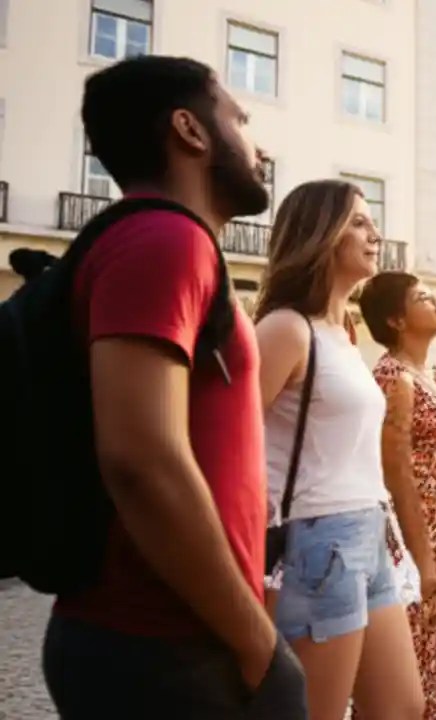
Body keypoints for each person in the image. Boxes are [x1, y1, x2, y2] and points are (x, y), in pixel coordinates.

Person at [41, 56, 306, 718]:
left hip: (169, 641)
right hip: (167, 647)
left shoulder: (156, 240)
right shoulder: (166, 241)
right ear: (190, 130)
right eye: (240, 120)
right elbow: (141, 460)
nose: (259, 145)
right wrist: (257, 644)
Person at [255, 180, 424, 720]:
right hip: (317, 539)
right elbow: (224, 439)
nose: (373, 232)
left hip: (367, 530)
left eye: (371, 220)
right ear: (318, 234)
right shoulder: (285, 329)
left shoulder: (342, 332)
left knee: (400, 706)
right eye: (357, 221)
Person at [359, 272, 436, 720]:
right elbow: (396, 472)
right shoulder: (392, 377)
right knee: (413, 667)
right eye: (423, 298)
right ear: (397, 320)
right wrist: (420, 558)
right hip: (415, 537)